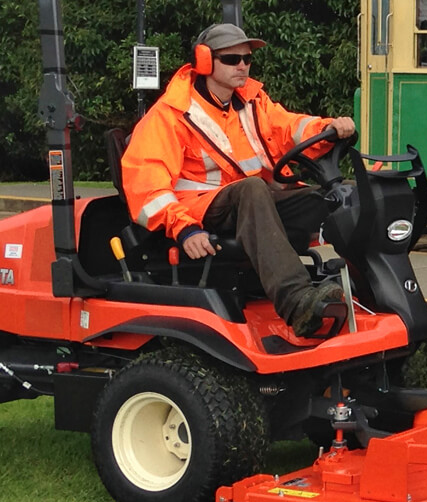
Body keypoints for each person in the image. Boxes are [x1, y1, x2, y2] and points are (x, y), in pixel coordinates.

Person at [121, 23, 356, 337]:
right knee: (253, 188)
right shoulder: (170, 115)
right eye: (232, 59)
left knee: (345, 195)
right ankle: (297, 302)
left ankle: (367, 289)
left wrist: (328, 127)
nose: (243, 65)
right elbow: (146, 185)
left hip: (253, 204)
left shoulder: (252, 104)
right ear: (205, 62)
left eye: (247, 59)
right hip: (200, 212)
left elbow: (289, 127)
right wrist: (184, 228)